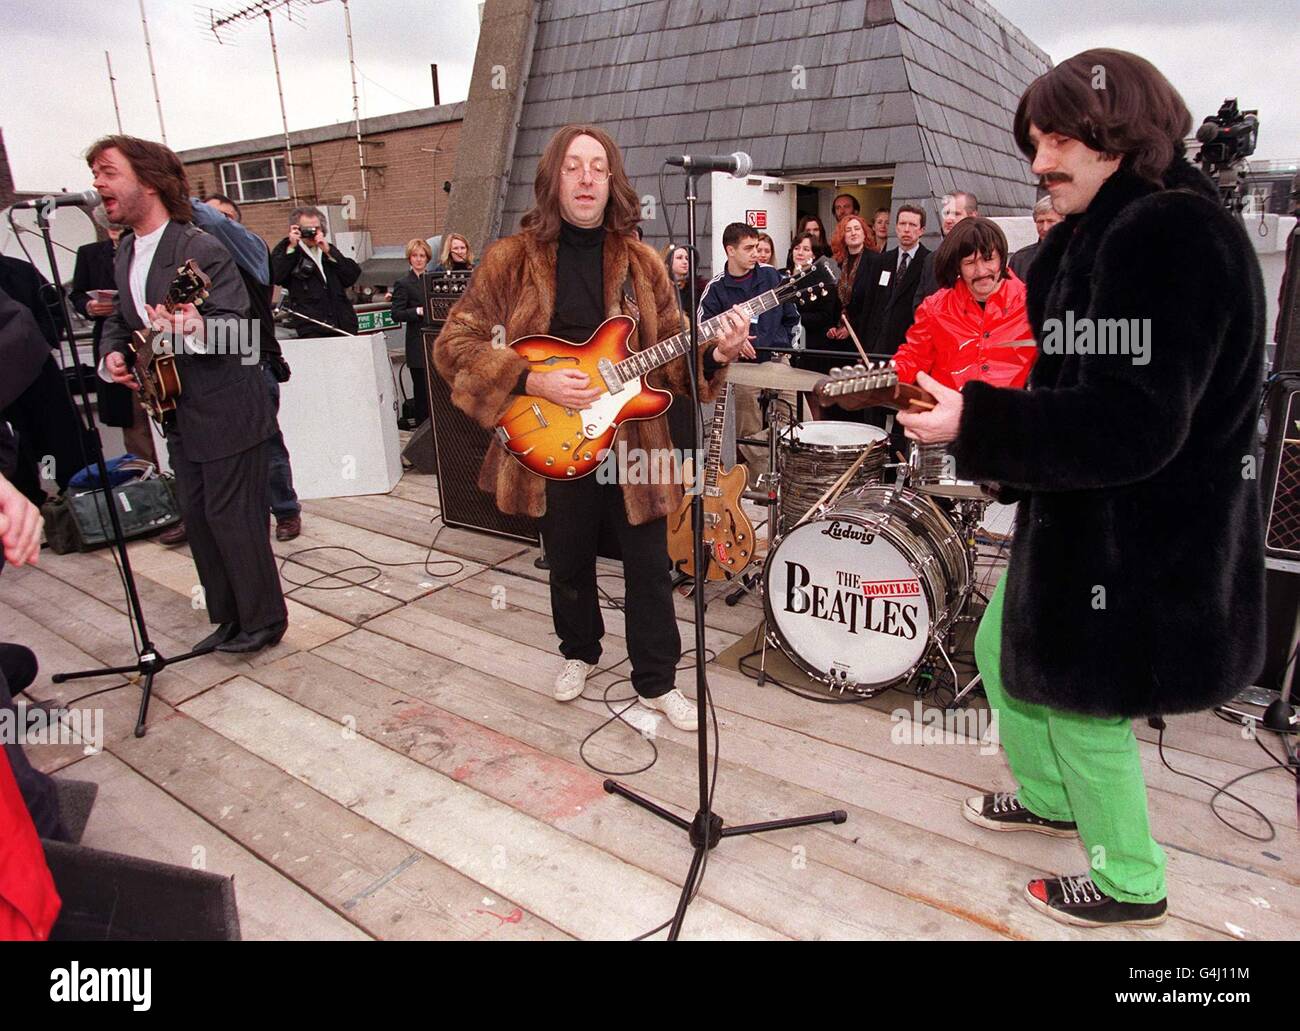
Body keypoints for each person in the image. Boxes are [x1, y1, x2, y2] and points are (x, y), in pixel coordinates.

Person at [896, 49, 1265, 928]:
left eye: (1057, 139)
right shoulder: (1103, 230)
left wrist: (977, 426)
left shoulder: (1168, 234)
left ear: (1119, 136)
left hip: (1141, 538)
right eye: (1034, 142)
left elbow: (1133, 422)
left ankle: (1130, 880)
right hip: (1087, 517)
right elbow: (1078, 391)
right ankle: (1053, 796)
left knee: (1083, 701)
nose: (1038, 163)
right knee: (1000, 648)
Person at [433, 124, 751, 731]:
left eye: (597, 167)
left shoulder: (642, 264)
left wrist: (717, 355)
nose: (585, 178)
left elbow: (676, 361)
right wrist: (531, 380)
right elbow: (455, 345)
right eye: (573, 166)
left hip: (634, 445)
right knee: (569, 559)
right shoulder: (510, 259)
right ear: (554, 177)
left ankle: (657, 682)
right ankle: (578, 652)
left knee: (649, 567)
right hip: (551, 435)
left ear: (613, 182)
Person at [92, 134, 288, 654]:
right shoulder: (128, 249)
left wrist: (194, 329)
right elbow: (121, 317)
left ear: (150, 181)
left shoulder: (199, 247)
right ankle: (227, 619)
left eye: (108, 172)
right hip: (177, 410)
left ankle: (263, 622)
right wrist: (114, 356)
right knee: (199, 520)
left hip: (227, 406)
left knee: (235, 520)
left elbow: (242, 335)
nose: (97, 184)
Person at [202, 193, 302, 543]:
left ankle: (286, 511)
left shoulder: (249, 253)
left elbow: (238, 331)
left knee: (265, 440)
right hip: (205, 362)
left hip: (250, 352)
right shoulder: (194, 262)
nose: (219, 225)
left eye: (228, 218)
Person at [698, 221, 800, 472]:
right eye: (749, 248)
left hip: (777, 360)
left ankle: (753, 453)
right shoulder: (715, 288)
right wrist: (733, 345)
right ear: (730, 250)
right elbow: (704, 336)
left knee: (796, 423)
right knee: (748, 424)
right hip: (740, 367)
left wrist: (783, 344)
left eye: (757, 247)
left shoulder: (772, 276)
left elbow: (793, 317)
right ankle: (757, 483)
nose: (756, 253)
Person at [894, 217, 1035, 390]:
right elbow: (914, 357)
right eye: (969, 263)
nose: (981, 271)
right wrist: (888, 377)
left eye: (988, 259)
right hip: (950, 413)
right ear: (957, 267)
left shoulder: (1034, 305)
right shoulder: (935, 308)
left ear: (1002, 258)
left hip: (1012, 413)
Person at [72, 214, 160, 468]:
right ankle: (149, 479)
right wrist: (89, 306)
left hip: (151, 334)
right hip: (115, 340)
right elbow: (77, 293)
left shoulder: (145, 247)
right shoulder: (89, 253)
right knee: (132, 418)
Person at [0, 256, 88, 503]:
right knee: (19, 459)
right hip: (6, 396)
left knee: (59, 448)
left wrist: (39, 343)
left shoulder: (20, 271)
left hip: (39, 379)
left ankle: (80, 507)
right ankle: (35, 506)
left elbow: (52, 310)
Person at [270, 206, 361, 336]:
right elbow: (276, 276)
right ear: (296, 229)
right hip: (312, 325)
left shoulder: (327, 250)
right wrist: (291, 248)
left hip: (342, 323)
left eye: (316, 228)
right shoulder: (288, 250)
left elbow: (351, 276)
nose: (312, 232)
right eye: (306, 229)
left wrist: (329, 252)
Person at [861, 204, 931, 354]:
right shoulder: (882, 261)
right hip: (877, 347)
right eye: (902, 224)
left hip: (909, 347)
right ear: (896, 227)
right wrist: (864, 348)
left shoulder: (929, 262)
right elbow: (870, 305)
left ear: (921, 230)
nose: (906, 229)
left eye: (912, 225)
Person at [391, 238, 433, 426]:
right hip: (417, 343)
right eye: (415, 256)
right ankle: (423, 427)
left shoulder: (433, 280)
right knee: (421, 391)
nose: (418, 259)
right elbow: (396, 313)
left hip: (434, 342)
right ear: (409, 258)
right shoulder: (403, 283)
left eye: (422, 256)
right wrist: (417, 311)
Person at [1008, 195, 1064, 282]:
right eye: (1040, 222)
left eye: (1050, 221)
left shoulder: (1081, 256)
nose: (1045, 228)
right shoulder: (1019, 260)